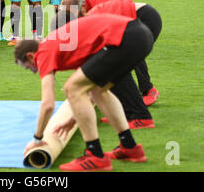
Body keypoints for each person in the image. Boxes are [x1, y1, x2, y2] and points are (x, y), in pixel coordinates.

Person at [16, 10, 154, 171]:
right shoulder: (64, 47)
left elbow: (47, 104)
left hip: (126, 37)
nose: (34, 71)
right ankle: (130, 147)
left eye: (28, 68)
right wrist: (74, 119)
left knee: (71, 87)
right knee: (98, 90)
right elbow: (90, 94)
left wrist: (37, 138)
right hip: (140, 35)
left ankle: (95, 155)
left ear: (31, 56)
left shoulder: (44, 51)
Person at [61, 0, 162, 108]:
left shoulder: (96, 7)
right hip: (132, 20)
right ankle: (123, 102)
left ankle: (147, 91)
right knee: (120, 59)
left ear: (81, 6)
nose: (75, 18)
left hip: (142, 18)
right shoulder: (82, 3)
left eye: (75, 14)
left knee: (130, 55)